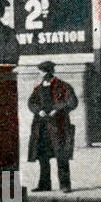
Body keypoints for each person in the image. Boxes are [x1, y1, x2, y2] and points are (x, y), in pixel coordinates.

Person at [27, 61, 77, 192]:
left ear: (50, 72)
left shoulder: (63, 86)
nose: (42, 75)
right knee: (42, 156)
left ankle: (65, 185)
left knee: (61, 156)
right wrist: (38, 111)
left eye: (43, 72)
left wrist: (58, 109)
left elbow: (72, 102)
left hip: (58, 126)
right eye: (42, 73)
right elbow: (31, 102)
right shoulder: (38, 87)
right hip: (42, 127)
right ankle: (44, 184)